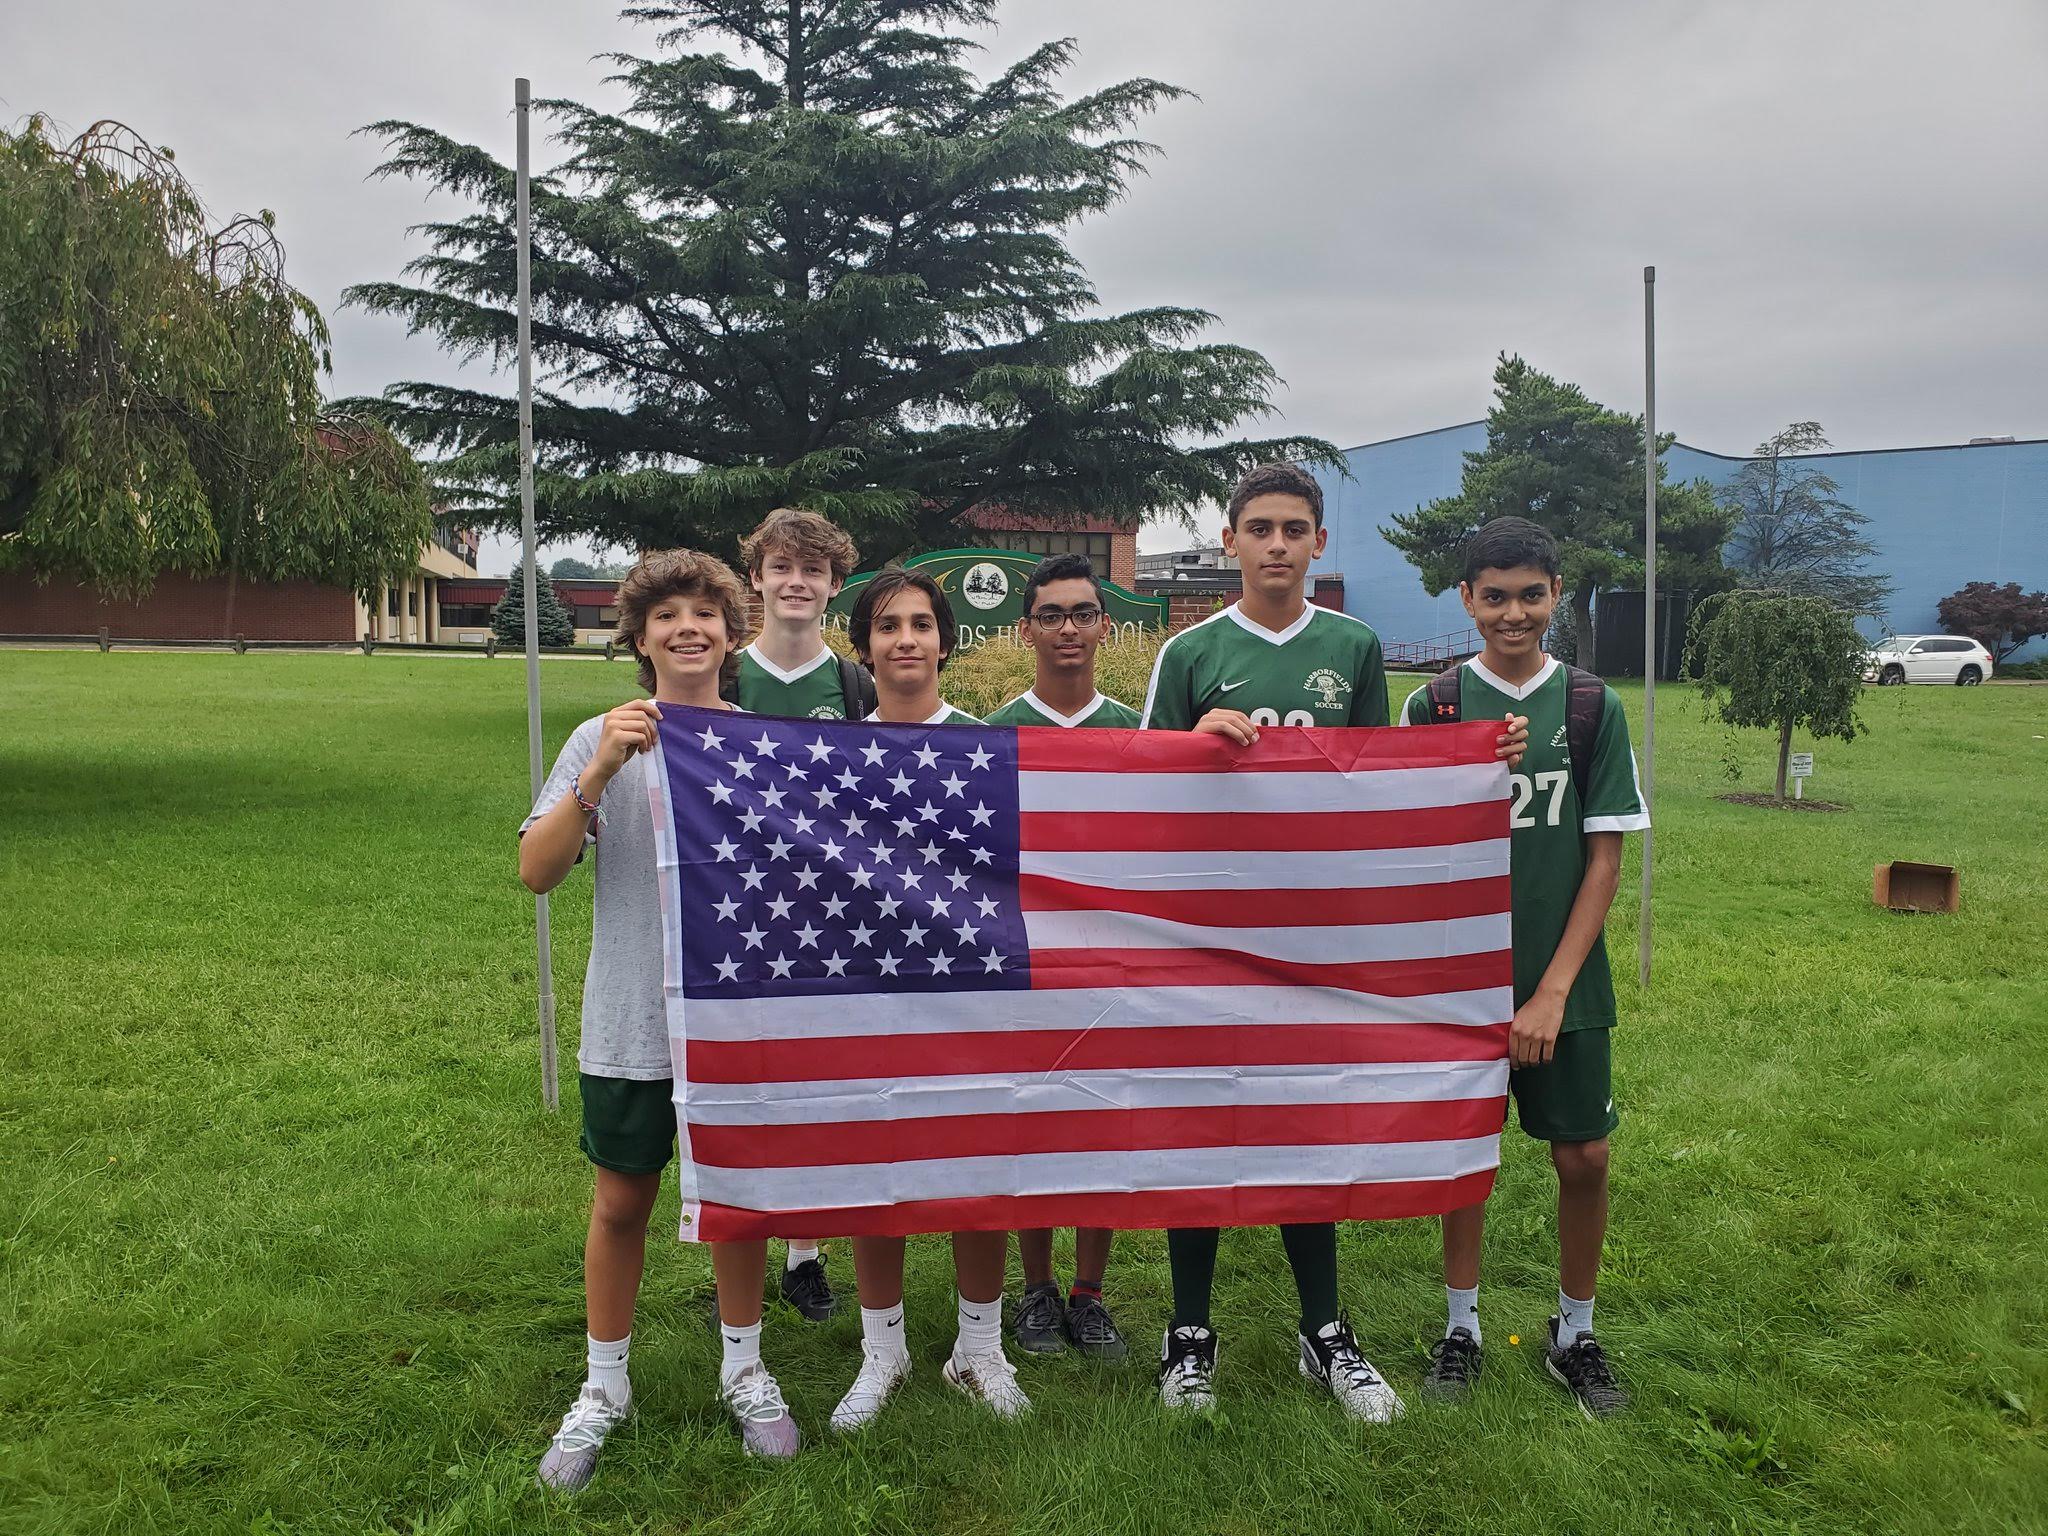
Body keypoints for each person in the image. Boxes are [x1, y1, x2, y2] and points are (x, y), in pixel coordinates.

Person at [1140, 462, 1527, 1423]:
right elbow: (1136, 788)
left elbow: (1379, 783)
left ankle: (1325, 1331)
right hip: (1209, 928)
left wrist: (1476, 760)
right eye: (1260, 528)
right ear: (1229, 541)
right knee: (1203, 1125)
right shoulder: (1188, 653)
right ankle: (1189, 1333)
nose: (1277, 545)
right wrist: (1195, 743)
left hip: (1314, 934)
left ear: (1320, 543)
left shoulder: (1353, 647)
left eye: (1296, 528)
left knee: (1307, 1120)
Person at [521, 550, 801, 1484]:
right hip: (631, 1012)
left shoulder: (762, 738)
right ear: (639, 637)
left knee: (737, 1204)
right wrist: (600, 767)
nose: (689, 628)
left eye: (707, 614)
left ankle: (745, 1366)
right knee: (621, 1200)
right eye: (668, 615)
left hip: (735, 1018)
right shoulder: (598, 737)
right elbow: (538, 870)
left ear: (732, 631)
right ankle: (605, 1385)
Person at [1400, 516, 1645, 1420]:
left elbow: (1605, 861)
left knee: (1582, 1155)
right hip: (1458, 981)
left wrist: (1550, 991)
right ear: (1466, 599)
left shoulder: (1589, 705)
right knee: (1467, 1156)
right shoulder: (1433, 708)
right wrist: (1461, 771)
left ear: (1555, 596)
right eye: (1494, 596)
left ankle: (1574, 1333)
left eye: (1530, 595)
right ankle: (1461, 1327)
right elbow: (1407, 843)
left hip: (1562, 982)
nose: (1513, 613)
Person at [829, 567, 1026, 1428]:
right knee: (879, 1165)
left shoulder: (989, 746)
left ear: (947, 640)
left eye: (919, 623)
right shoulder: (827, 754)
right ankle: (885, 1350)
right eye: (885, 625)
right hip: (871, 987)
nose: (904, 639)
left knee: (976, 1165)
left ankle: (979, 1348)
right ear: (864, 645)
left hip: (972, 993)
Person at [984, 553, 1139, 1360]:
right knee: (1032, 1118)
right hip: (1027, 957)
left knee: (1101, 1117)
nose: (1068, 629)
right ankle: (1036, 1288)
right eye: (1052, 615)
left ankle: (1090, 1292)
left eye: (1082, 613)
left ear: (1104, 626)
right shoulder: (993, 734)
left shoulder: (1139, 734)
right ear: (1027, 630)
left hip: (1110, 959)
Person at [729, 507, 874, 1321]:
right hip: (736, 904)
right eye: (781, 566)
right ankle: (746, 1230)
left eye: (812, 570)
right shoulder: (719, 675)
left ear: (833, 585)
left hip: (830, 908)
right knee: (750, 1073)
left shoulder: (854, 687)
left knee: (824, 1073)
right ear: (756, 576)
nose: (796, 582)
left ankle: (807, 1251)